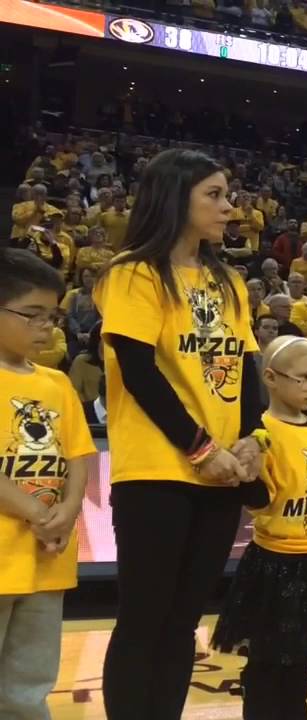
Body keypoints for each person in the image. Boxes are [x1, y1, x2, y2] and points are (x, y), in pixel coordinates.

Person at [94, 149, 265, 720]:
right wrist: (202, 448)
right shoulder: (133, 273)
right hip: (156, 471)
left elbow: (246, 373)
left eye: (227, 195)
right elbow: (139, 372)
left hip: (221, 474)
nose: (229, 207)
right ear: (176, 198)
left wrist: (248, 442)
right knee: (144, 619)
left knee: (185, 622)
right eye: (214, 195)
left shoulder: (229, 281)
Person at [210, 336, 307, 720]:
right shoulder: (259, 432)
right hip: (275, 566)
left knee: (300, 666)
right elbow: (260, 502)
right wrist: (247, 474)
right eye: (304, 377)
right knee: (265, 666)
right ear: (272, 378)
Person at [0, 248, 95, 720]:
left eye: (52, 317)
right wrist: (37, 512)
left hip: (46, 558)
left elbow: (79, 454)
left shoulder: (57, 382)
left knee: (29, 683)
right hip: (9, 547)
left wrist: (70, 509)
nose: (47, 328)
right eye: (32, 316)